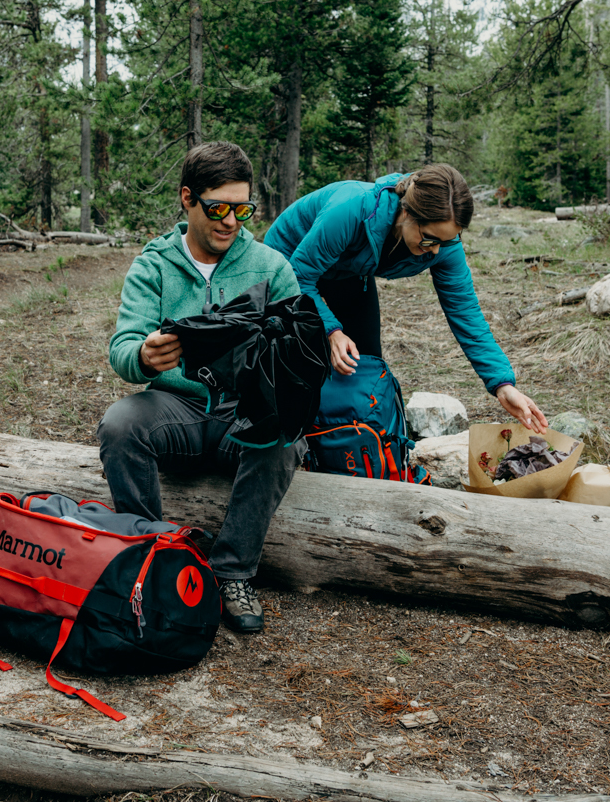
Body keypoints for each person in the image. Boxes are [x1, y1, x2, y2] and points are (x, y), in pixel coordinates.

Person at [98, 141, 303, 634]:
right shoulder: (154, 265)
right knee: (120, 424)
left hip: (243, 417)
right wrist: (143, 356)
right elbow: (123, 346)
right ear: (188, 199)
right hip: (175, 411)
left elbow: (298, 346)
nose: (231, 221)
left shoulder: (271, 266)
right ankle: (150, 558)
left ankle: (231, 573)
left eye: (242, 208)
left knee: (285, 439)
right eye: (218, 208)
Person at [264, 164, 547, 431]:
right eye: (429, 239)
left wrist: (502, 384)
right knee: (301, 355)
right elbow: (299, 275)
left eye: (446, 241)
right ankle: (291, 434)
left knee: (365, 364)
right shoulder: (353, 208)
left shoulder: (443, 245)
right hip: (288, 263)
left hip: (348, 270)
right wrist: (332, 330)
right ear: (407, 213)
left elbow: (465, 311)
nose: (435, 251)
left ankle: (349, 439)